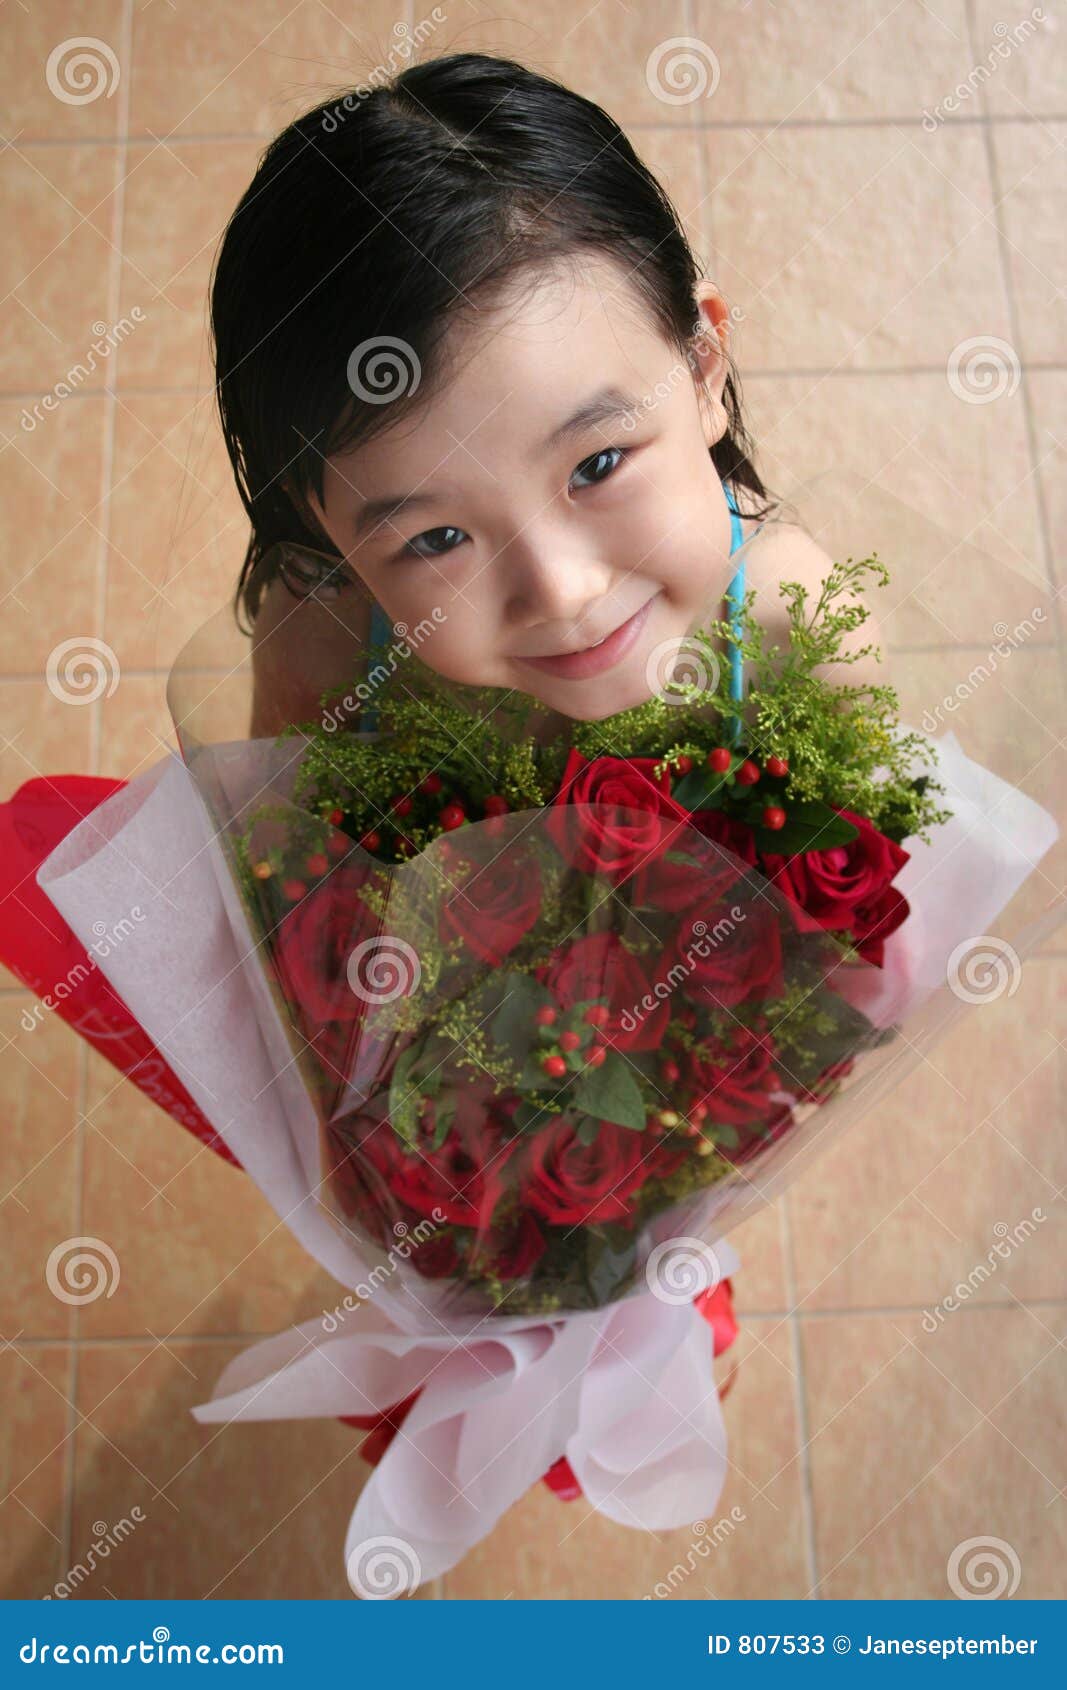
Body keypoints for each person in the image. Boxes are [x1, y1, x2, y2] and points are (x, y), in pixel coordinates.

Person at [204, 51, 878, 744]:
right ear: (320, 526)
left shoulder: (805, 631)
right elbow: (278, 810)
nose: (560, 593)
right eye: (438, 539)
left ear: (701, 366)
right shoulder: (324, 642)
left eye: (597, 466)